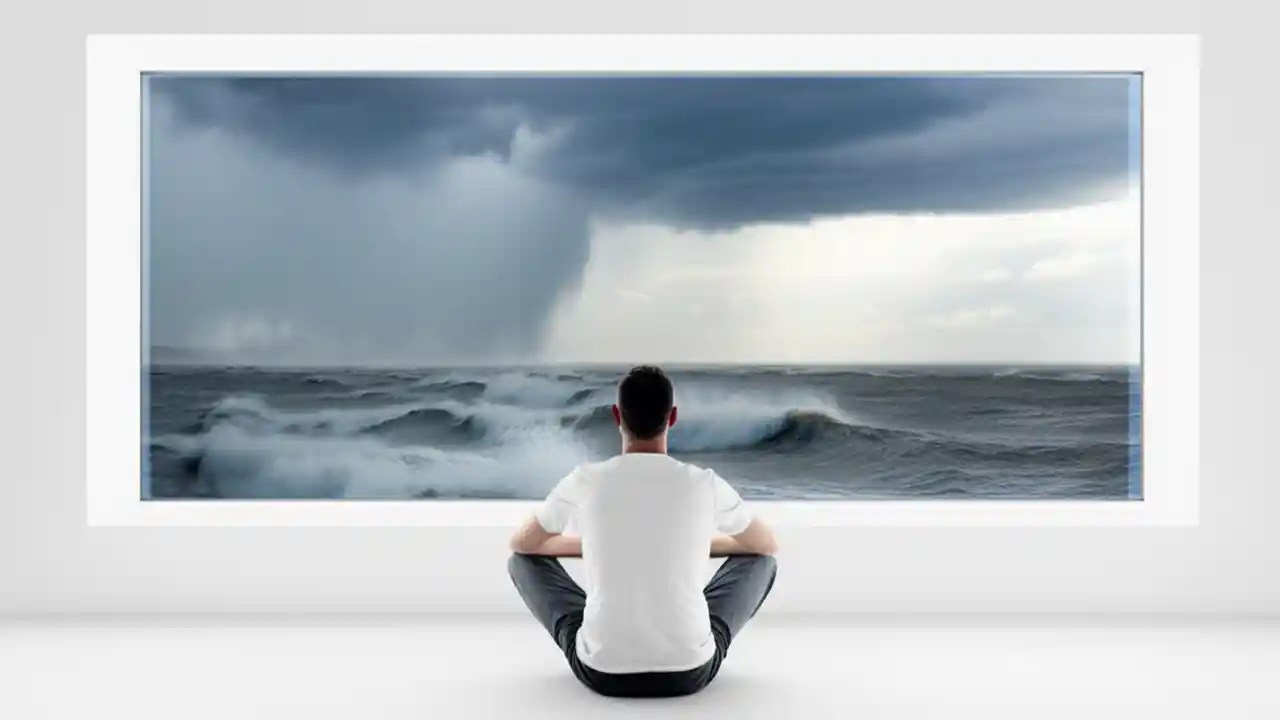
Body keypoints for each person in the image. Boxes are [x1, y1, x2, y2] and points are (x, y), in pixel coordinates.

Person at [507, 365, 779, 698]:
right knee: (762, 562)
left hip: (602, 673)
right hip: (688, 673)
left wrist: (592, 545)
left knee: (521, 562)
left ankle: (603, 641)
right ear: (673, 417)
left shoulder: (585, 479)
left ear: (616, 415)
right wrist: (692, 545)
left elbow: (522, 544)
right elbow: (765, 545)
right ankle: (689, 639)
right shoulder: (703, 482)